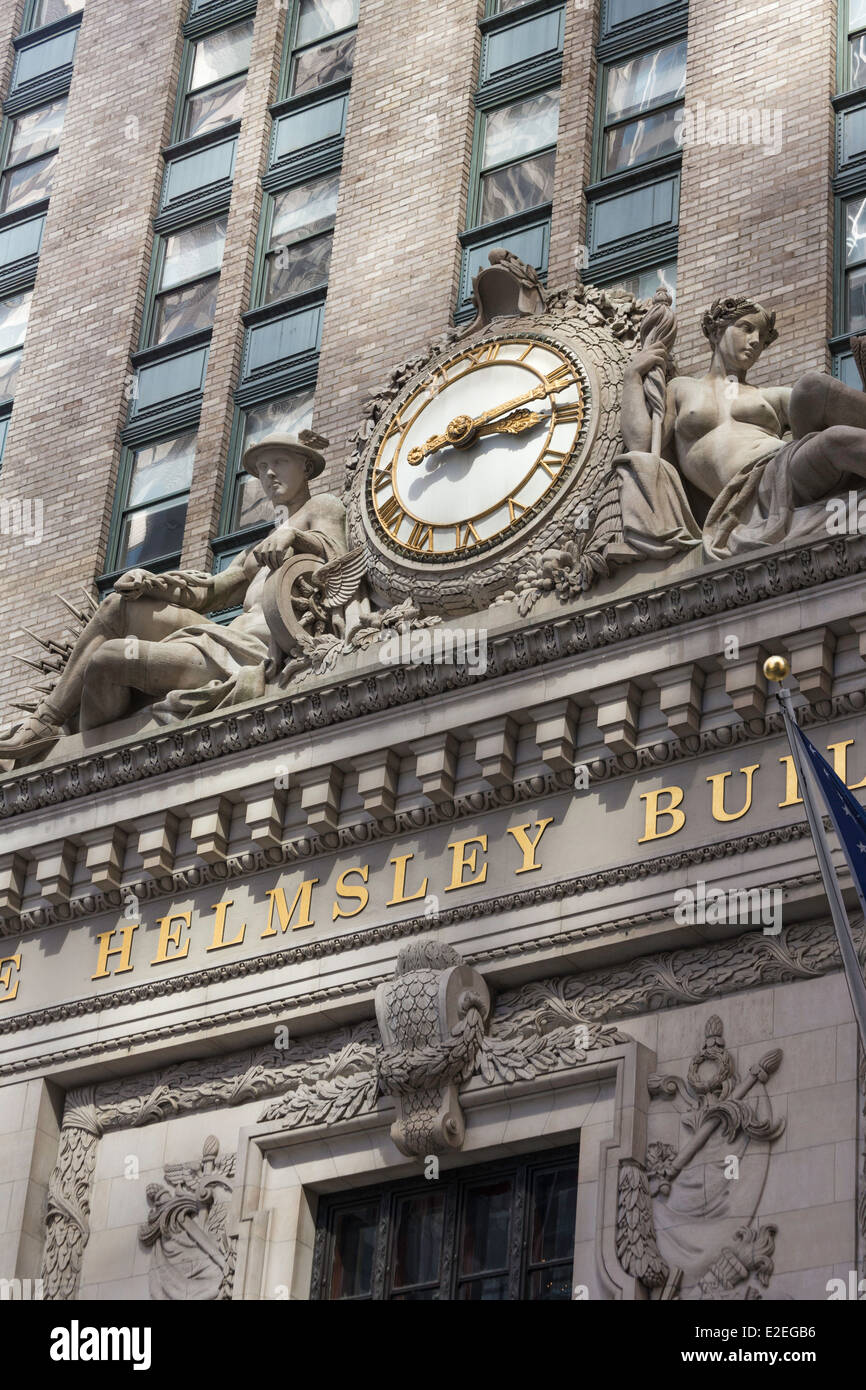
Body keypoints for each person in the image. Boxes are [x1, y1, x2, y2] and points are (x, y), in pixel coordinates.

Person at [0, 431, 348, 759]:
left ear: (305, 466)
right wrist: (152, 584)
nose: (269, 473)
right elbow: (210, 592)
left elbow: (338, 554)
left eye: (279, 462)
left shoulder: (322, 507)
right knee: (117, 605)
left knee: (106, 660)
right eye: (262, 468)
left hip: (249, 655)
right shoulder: (256, 549)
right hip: (221, 637)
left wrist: (295, 538)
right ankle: (43, 722)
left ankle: (92, 764)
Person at [621, 294, 866, 559]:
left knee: (812, 386)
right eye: (746, 328)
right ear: (716, 331)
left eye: (761, 337)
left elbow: (817, 401)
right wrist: (632, 377)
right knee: (836, 440)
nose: (755, 341)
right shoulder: (680, 389)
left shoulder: (768, 396)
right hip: (752, 493)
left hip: (779, 467)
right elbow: (642, 447)